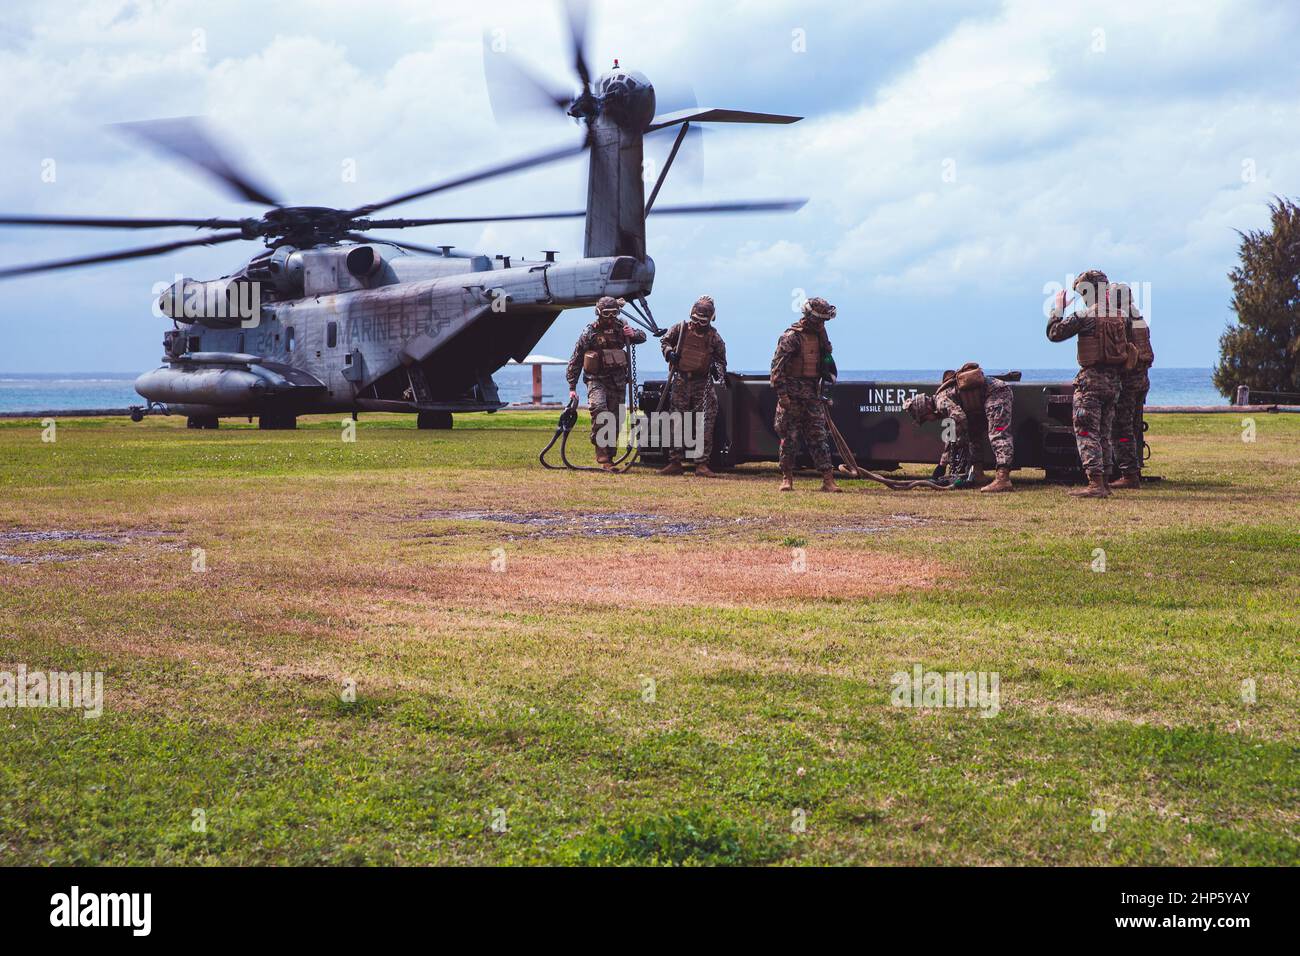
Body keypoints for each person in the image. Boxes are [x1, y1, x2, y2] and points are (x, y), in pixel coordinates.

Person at [1047, 270, 1128, 498]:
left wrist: (1058, 309)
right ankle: (1106, 482)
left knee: (1086, 431)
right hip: (1113, 383)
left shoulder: (1085, 316)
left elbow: (1054, 333)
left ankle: (1095, 484)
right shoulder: (1120, 315)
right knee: (1104, 432)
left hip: (1091, 382)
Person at [565, 295, 646, 470]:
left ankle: (609, 457)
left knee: (615, 419)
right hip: (596, 380)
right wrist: (572, 386)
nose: (610, 317)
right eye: (607, 313)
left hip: (617, 382)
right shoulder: (590, 333)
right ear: (599, 313)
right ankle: (602, 454)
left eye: (614, 313)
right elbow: (576, 359)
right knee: (600, 409)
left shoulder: (621, 327)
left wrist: (633, 334)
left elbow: (642, 336)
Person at [906, 363, 1015, 492]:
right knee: (974, 434)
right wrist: (942, 464)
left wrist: (960, 439)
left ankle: (1003, 479)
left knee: (998, 434)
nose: (929, 420)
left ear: (926, 410)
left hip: (997, 394)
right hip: (988, 396)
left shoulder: (941, 402)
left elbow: (959, 418)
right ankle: (978, 474)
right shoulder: (941, 401)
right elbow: (951, 435)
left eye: (925, 418)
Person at [769, 296, 840, 492]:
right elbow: (777, 369)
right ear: (810, 317)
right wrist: (783, 396)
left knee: (819, 437)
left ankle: (828, 479)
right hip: (791, 397)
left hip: (812, 395)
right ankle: (787, 478)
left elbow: (826, 360)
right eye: (821, 320)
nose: (823, 324)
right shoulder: (791, 337)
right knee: (789, 439)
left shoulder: (820, 336)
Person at [658, 295, 728, 477]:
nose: (698, 323)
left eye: (702, 321)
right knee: (676, 421)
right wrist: (669, 353)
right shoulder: (680, 329)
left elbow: (722, 362)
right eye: (696, 319)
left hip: (702, 384)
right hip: (681, 380)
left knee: (705, 424)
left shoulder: (714, 337)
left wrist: (715, 369)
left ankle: (702, 464)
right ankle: (675, 462)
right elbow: (664, 341)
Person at [1110, 282, 1154, 490]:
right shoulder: (1139, 318)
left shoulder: (1122, 319)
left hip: (1128, 379)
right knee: (1134, 426)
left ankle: (1128, 473)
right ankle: (1133, 469)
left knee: (1121, 426)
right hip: (1142, 378)